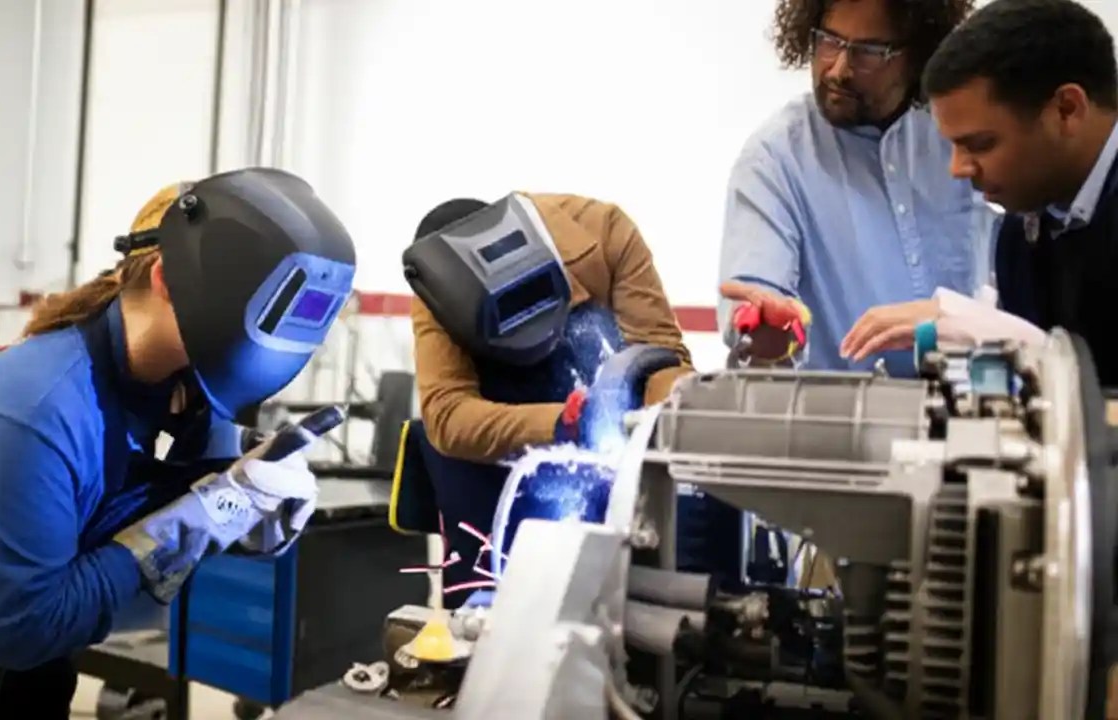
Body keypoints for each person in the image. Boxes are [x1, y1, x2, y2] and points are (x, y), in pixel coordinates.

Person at [0, 169, 357, 718]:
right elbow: (19, 627)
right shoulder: (36, 403)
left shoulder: (196, 379)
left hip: (41, 628)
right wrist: (218, 509)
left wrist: (256, 510)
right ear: (167, 279)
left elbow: (192, 505)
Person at [400, 192, 692, 603]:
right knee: (489, 615)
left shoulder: (604, 234)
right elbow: (448, 415)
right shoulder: (436, 287)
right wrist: (563, 422)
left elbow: (662, 359)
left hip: (609, 451)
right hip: (491, 454)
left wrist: (674, 408)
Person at [839, 0, 1118, 385]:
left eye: (981, 144)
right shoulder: (1020, 240)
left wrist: (1036, 351)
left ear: (1067, 110)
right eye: (953, 146)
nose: (958, 169)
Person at [717, 0, 999, 376]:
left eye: (868, 52)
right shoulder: (775, 158)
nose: (838, 69)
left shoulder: (962, 138)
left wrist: (953, 318)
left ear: (917, 55)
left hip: (977, 413)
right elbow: (757, 301)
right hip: (841, 423)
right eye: (829, 41)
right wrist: (767, 330)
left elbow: (1018, 296)